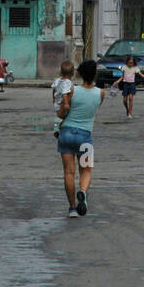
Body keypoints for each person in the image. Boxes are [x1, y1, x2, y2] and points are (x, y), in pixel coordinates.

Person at [58, 59, 103, 217]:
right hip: (85, 136)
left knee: (69, 173)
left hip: (67, 134)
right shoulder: (100, 93)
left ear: (80, 74)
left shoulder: (72, 90)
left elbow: (62, 112)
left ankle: (72, 208)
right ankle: (82, 192)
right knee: (86, 170)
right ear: (95, 74)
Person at [51, 60, 75, 137]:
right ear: (72, 73)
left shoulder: (57, 80)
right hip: (62, 104)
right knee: (67, 118)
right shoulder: (67, 82)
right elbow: (65, 93)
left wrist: (53, 99)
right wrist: (66, 103)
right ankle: (59, 129)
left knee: (61, 118)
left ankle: (57, 129)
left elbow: (54, 89)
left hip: (56, 103)